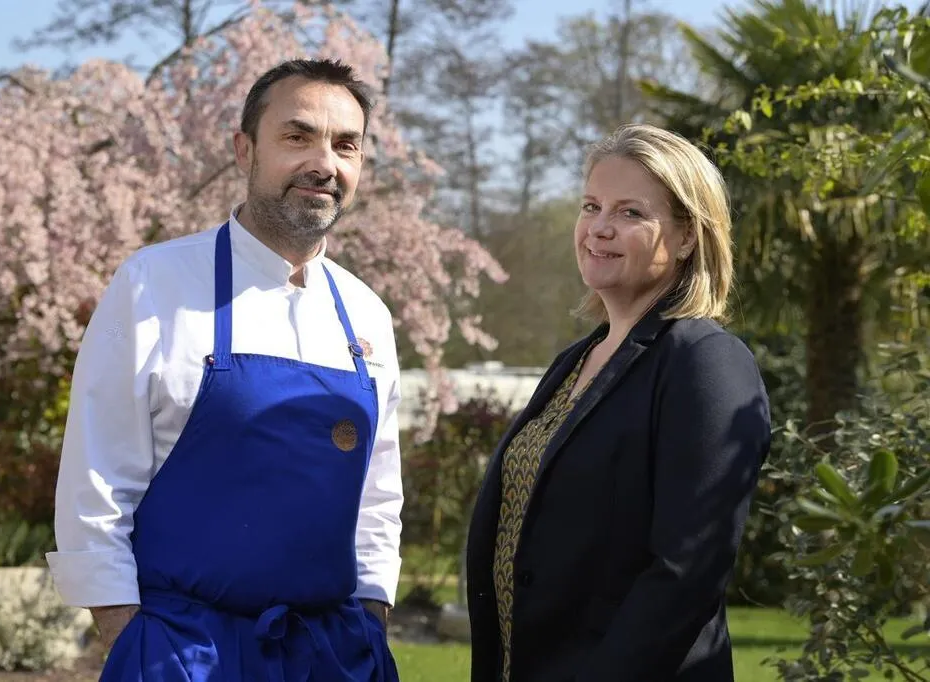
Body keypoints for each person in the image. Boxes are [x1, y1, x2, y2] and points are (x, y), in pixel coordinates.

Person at [47, 58, 403, 682]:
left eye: (346, 145)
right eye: (297, 137)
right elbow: (96, 480)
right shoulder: (152, 284)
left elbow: (377, 495)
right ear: (244, 150)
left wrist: (371, 614)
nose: (324, 162)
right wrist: (129, 636)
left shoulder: (367, 315)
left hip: (332, 653)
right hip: (185, 653)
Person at [464, 123, 772, 682]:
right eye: (591, 206)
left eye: (632, 213)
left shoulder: (704, 362)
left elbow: (686, 570)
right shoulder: (573, 363)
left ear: (685, 238)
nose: (599, 229)